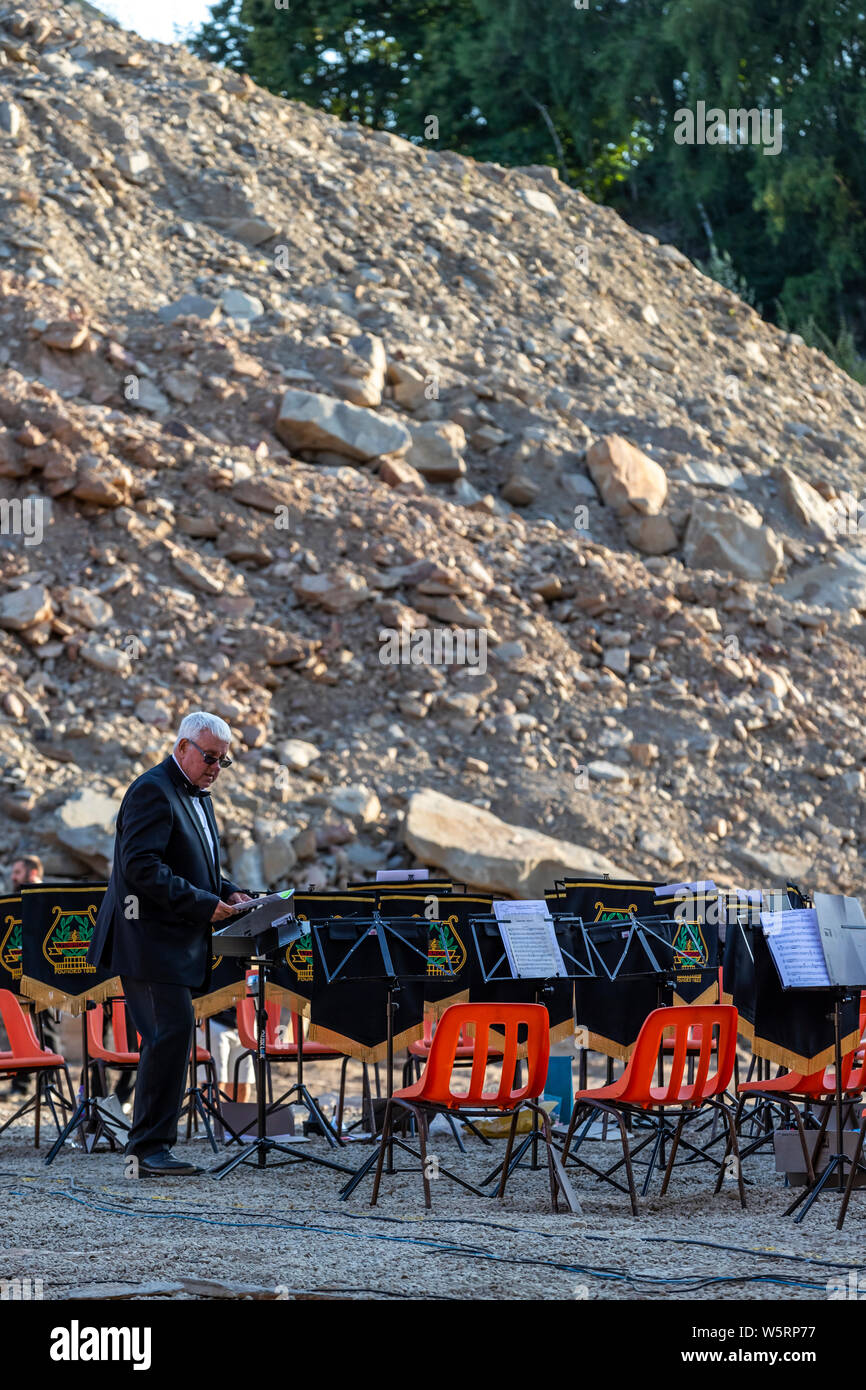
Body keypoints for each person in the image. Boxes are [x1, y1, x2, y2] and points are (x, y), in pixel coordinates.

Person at [87, 711, 252, 1176]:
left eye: (223, 760)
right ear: (182, 748)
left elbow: (192, 864)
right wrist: (202, 904)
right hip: (146, 940)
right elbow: (141, 867)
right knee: (167, 1034)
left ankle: (151, 1145)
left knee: (171, 1035)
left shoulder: (199, 795)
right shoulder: (151, 789)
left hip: (170, 943)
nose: (216, 767)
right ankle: (148, 1149)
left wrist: (225, 891)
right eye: (210, 757)